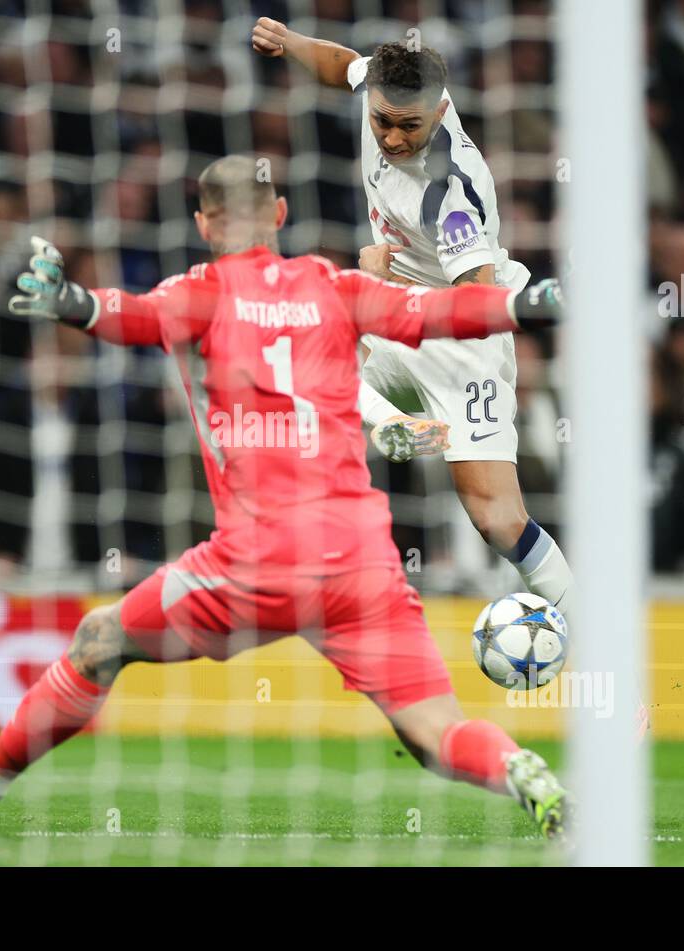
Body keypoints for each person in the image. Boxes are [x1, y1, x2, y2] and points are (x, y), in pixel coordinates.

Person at [0, 155, 571, 837]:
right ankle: (518, 765)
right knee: (438, 732)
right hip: (360, 562)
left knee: (101, 639)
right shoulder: (335, 285)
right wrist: (530, 303)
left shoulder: (202, 291)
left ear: (202, 223)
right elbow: (440, 312)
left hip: (254, 562)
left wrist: (68, 302)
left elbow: (129, 316)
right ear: (280, 214)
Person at [250, 24, 575, 617]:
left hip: (458, 337)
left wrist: (381, 281)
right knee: (293, 372)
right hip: (394, 316)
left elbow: (475, 309)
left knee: (497, 519)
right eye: (383, 123)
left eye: (410, 126)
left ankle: (606, 669)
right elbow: (343, 63)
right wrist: (291, 42)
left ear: (440, 109)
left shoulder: (449, 195)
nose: (393, 137)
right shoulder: (382, 84)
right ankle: (385, 428)